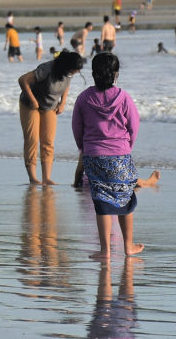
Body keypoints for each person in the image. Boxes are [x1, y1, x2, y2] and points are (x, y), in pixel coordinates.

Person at [72, 52, 151, 260]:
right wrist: (127, 147)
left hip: (93, 155)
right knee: (125, 199)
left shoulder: (83, 98)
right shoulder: (123, 97)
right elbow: (134, 125)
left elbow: (76, 128)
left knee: (101, 201)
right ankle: (128, 246)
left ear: (93, 73)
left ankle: (105, 251)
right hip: (120, 154)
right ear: (116, 74)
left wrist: (85, 148)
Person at [17, 50, 85, 185]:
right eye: (75, 70)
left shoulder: (69, 72)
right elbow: (23, 80)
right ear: (66, 66)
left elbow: (66, 84)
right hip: (31, 105)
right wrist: (33, 100)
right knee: (32, 139)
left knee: (48, 142)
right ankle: (33, 178)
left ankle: (47, 178)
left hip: (49, 107)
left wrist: (63, 102)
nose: (76, 73)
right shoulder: (47, 69)